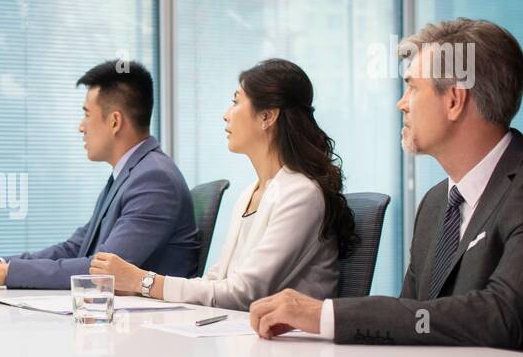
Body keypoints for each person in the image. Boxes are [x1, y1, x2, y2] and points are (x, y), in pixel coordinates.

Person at [249, 18, 523, 357]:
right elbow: (415, 316)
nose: (401, 103)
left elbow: (504, 318)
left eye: (412, 87)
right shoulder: (438, 202)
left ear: (454, 100)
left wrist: (327, 315)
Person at [91, 59, 352, 308]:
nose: (226, 115)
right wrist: (142, 285)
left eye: (236, 102)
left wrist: (143, 281)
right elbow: (218, 281)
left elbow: (244, 293)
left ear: (267, 116)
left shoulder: (300, 194)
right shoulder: (250, 193)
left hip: (292, 349)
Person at [0, 60, 199, 290]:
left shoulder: (154, 180)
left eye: (87, 114)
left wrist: (8, 272)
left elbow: (101, 273)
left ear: (114, 122)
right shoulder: (130, 174)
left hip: (149, 328)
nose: (81, 126)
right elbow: (76, 247)